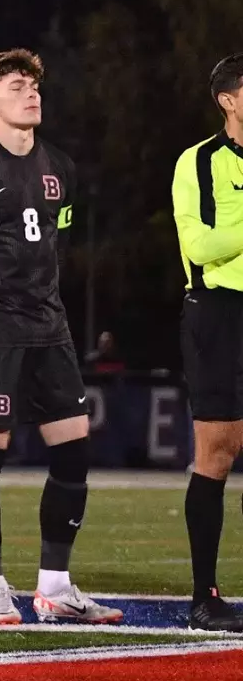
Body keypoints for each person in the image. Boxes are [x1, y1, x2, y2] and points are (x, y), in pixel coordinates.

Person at [0, 48, 120, 625]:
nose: (32, 94)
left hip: (49, 327)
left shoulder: (60, 166)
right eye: (17, 87)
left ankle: (55, 587)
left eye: (34, 86)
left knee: (74, 450)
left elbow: (58, 244)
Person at [172, 54, 243, 632]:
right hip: (219, 314)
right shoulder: (198, 161)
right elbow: (199, 247)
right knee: (217, 452)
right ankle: (205, 597)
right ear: (228, 99)